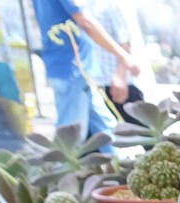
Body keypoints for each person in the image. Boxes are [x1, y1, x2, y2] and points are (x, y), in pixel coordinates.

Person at [32, 0, 140, 139]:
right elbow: (85, 22)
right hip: (72, 69)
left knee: (107, 130)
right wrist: (123, 55)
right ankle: (60, 162)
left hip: (74, 70)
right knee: (71, 139)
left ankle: (120, 158)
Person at [88, 0, 146, 121]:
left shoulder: (112, 4)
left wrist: (120, 76)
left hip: (118, 83)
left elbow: (125, 41)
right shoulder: (85, 4)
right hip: (97, 83)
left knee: (134, 132)